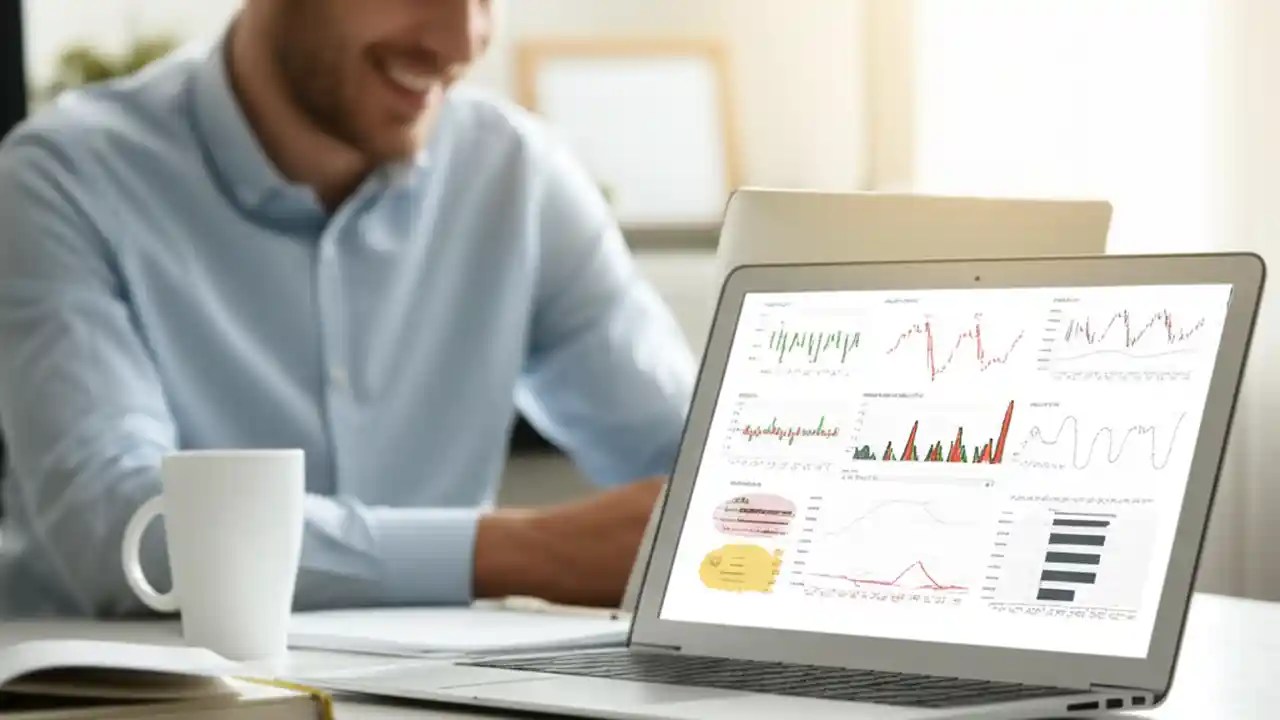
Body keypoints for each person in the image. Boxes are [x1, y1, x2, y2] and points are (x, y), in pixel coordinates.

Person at [0, 0, 695, 616]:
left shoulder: (518, 177)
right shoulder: (63, 180)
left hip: (441, 697)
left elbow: (702, 465)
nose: (462, 39)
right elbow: (121, 527)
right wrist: (529, 552)